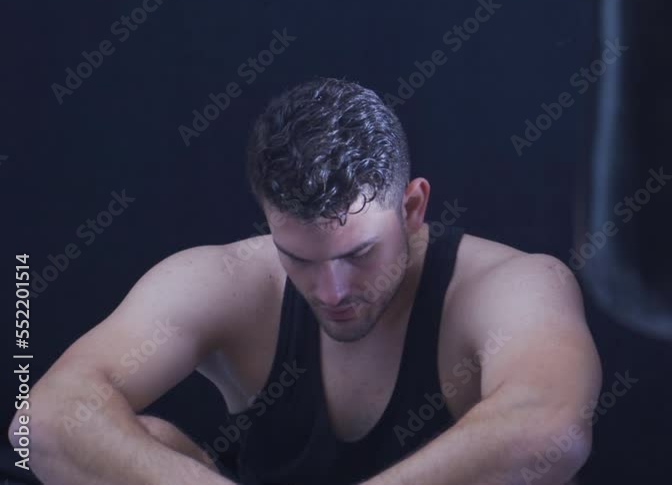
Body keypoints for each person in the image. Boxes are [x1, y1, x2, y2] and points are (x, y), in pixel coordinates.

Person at [9, 77, 602, 484]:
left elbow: (549, 428)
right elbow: (43, 419)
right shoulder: (225, 281)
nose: (332, 291)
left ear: (413, 209)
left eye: (360, 253)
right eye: (300, 258)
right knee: (138, 440)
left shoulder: (513, 286)